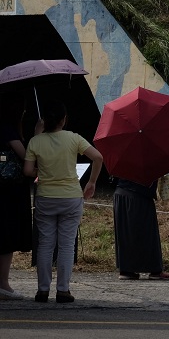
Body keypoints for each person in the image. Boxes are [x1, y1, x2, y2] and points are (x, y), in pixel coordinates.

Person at [23, 100, 102, 303]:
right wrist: (91, 182)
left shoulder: (35, 142)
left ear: (44, 122)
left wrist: (42, 168)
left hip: (46, 198)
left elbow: (27, 171)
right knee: (66, 245)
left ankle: (42, 291)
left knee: (45, 245)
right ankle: (63, 290)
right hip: (71, 197)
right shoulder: (73, 138)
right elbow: (98, 157)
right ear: (64, 120)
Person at [0, 95, 32, 301]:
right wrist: (36, 135)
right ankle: (3, 284)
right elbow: (26, 156)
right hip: (8, 191)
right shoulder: (8, 130)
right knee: (6, 236)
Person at [114, 178, 169, 280]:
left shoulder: (122, 162)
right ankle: (155, 270)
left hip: (121, 192)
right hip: (139, 195)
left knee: (126, 234)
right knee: (148, 233)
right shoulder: (147, 163)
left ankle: (126, 270)